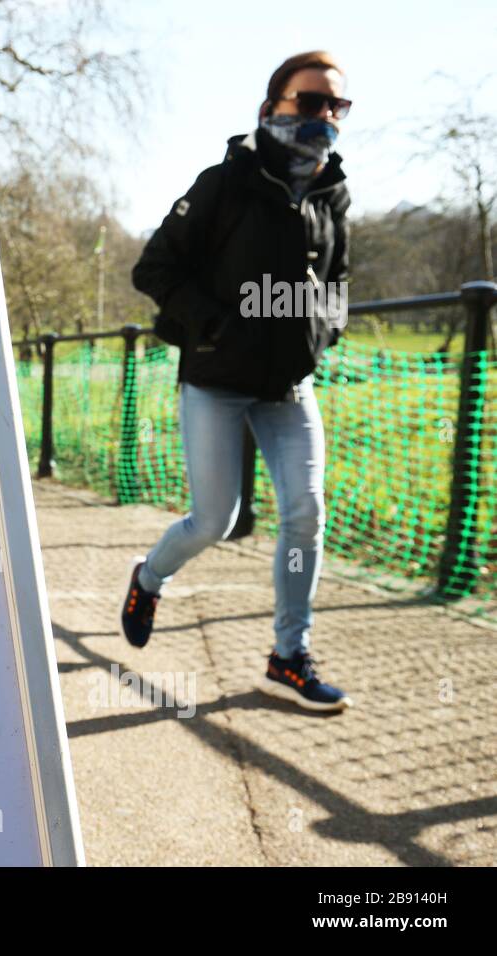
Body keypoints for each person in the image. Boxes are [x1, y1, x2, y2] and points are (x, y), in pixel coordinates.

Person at [124, 51, 353, 711]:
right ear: (272, 107)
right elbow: (154, 269)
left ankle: (289, 657)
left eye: (336, 106)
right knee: (214, 521)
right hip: (217, 382)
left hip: (289, 389)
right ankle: (149, 576)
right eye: (309, 103)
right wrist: (215, 325)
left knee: (305, 513)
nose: (323, 117)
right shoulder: (224, 184)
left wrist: (323, 333)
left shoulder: (334, 192)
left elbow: (338, 281)